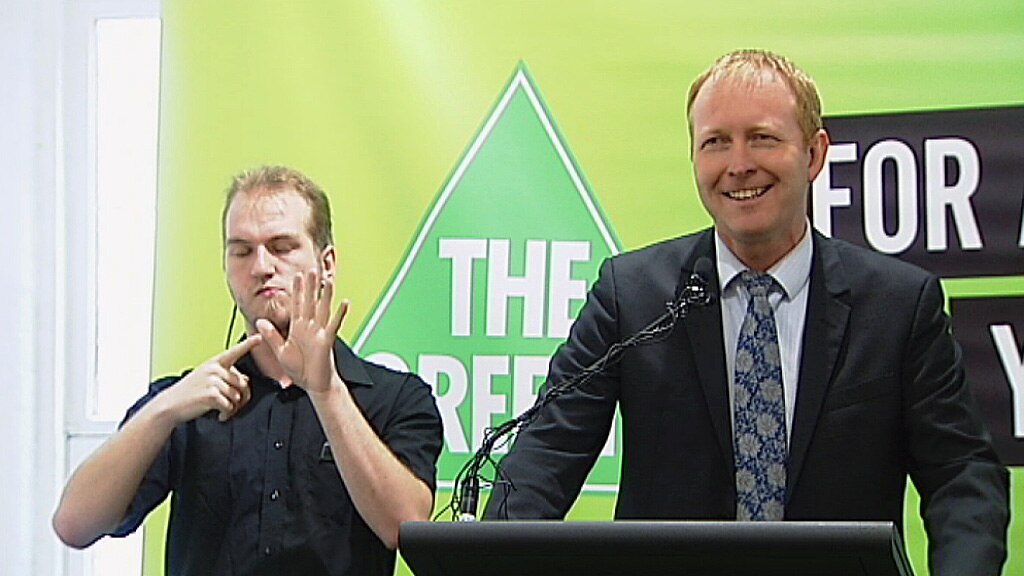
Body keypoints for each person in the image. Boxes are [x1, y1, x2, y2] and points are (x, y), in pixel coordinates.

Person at [482, 50, 1009, 575]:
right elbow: (547, 453)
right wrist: (490, 560)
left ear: (814, 153)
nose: (738, 165)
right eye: (715, 142)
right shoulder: (632, 297)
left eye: (762, 138)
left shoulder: (897, 305)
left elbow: (962, 475)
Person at [53, 165, 443, 576]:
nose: (261, 267)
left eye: (282, 247)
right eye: (241, 250)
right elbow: (74, 525)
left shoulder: (396, 397)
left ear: (326, 263)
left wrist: (327, 393)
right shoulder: (191, 401)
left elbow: (403, 528)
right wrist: (163, 409)